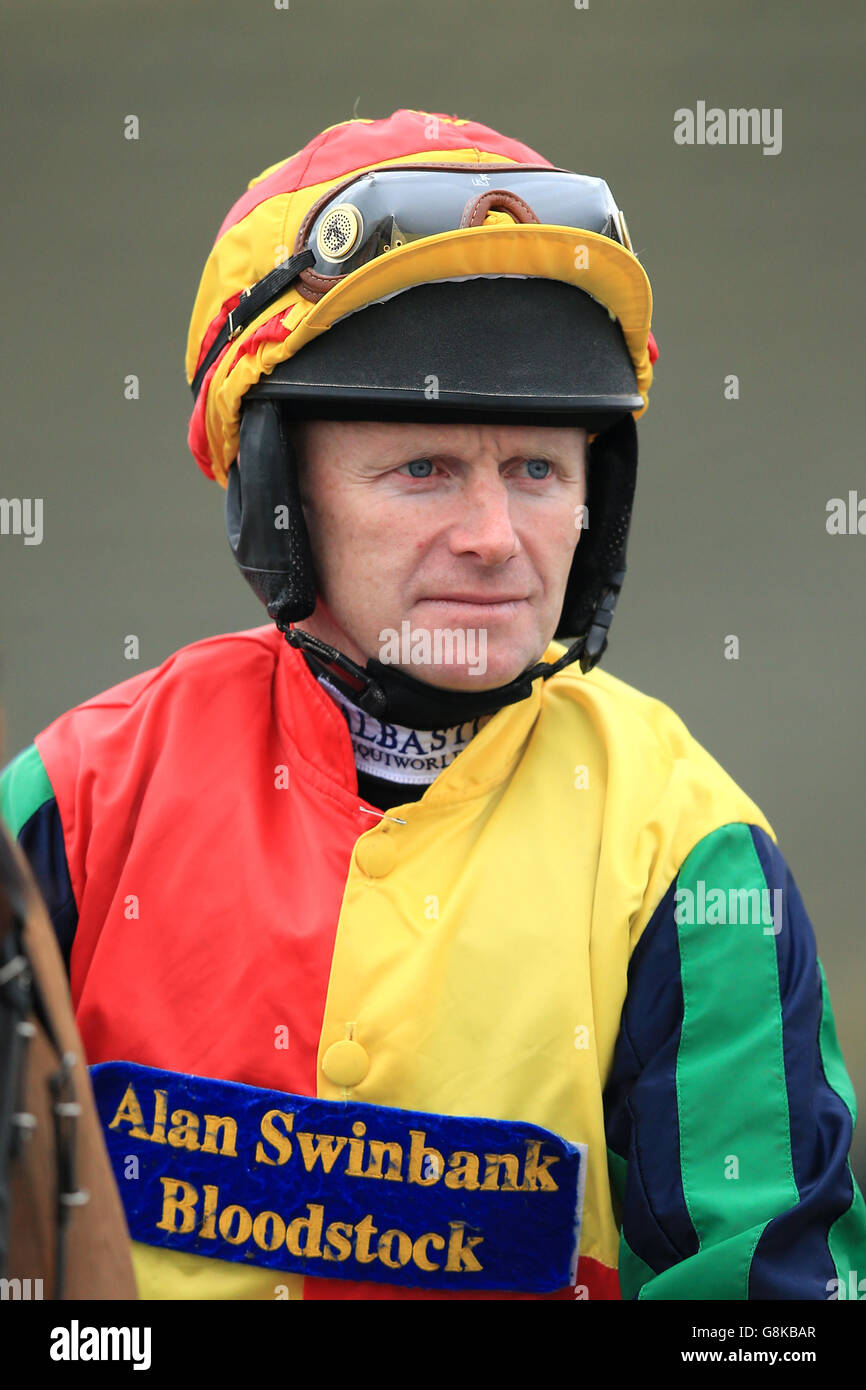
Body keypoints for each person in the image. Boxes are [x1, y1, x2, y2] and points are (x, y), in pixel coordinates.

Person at [1, 108, 863, 1302]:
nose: (492, 540)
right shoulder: (74, 802)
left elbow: (770, 1310)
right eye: (422, 471)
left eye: (535, 471)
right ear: (278, 495)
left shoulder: (690, 852)